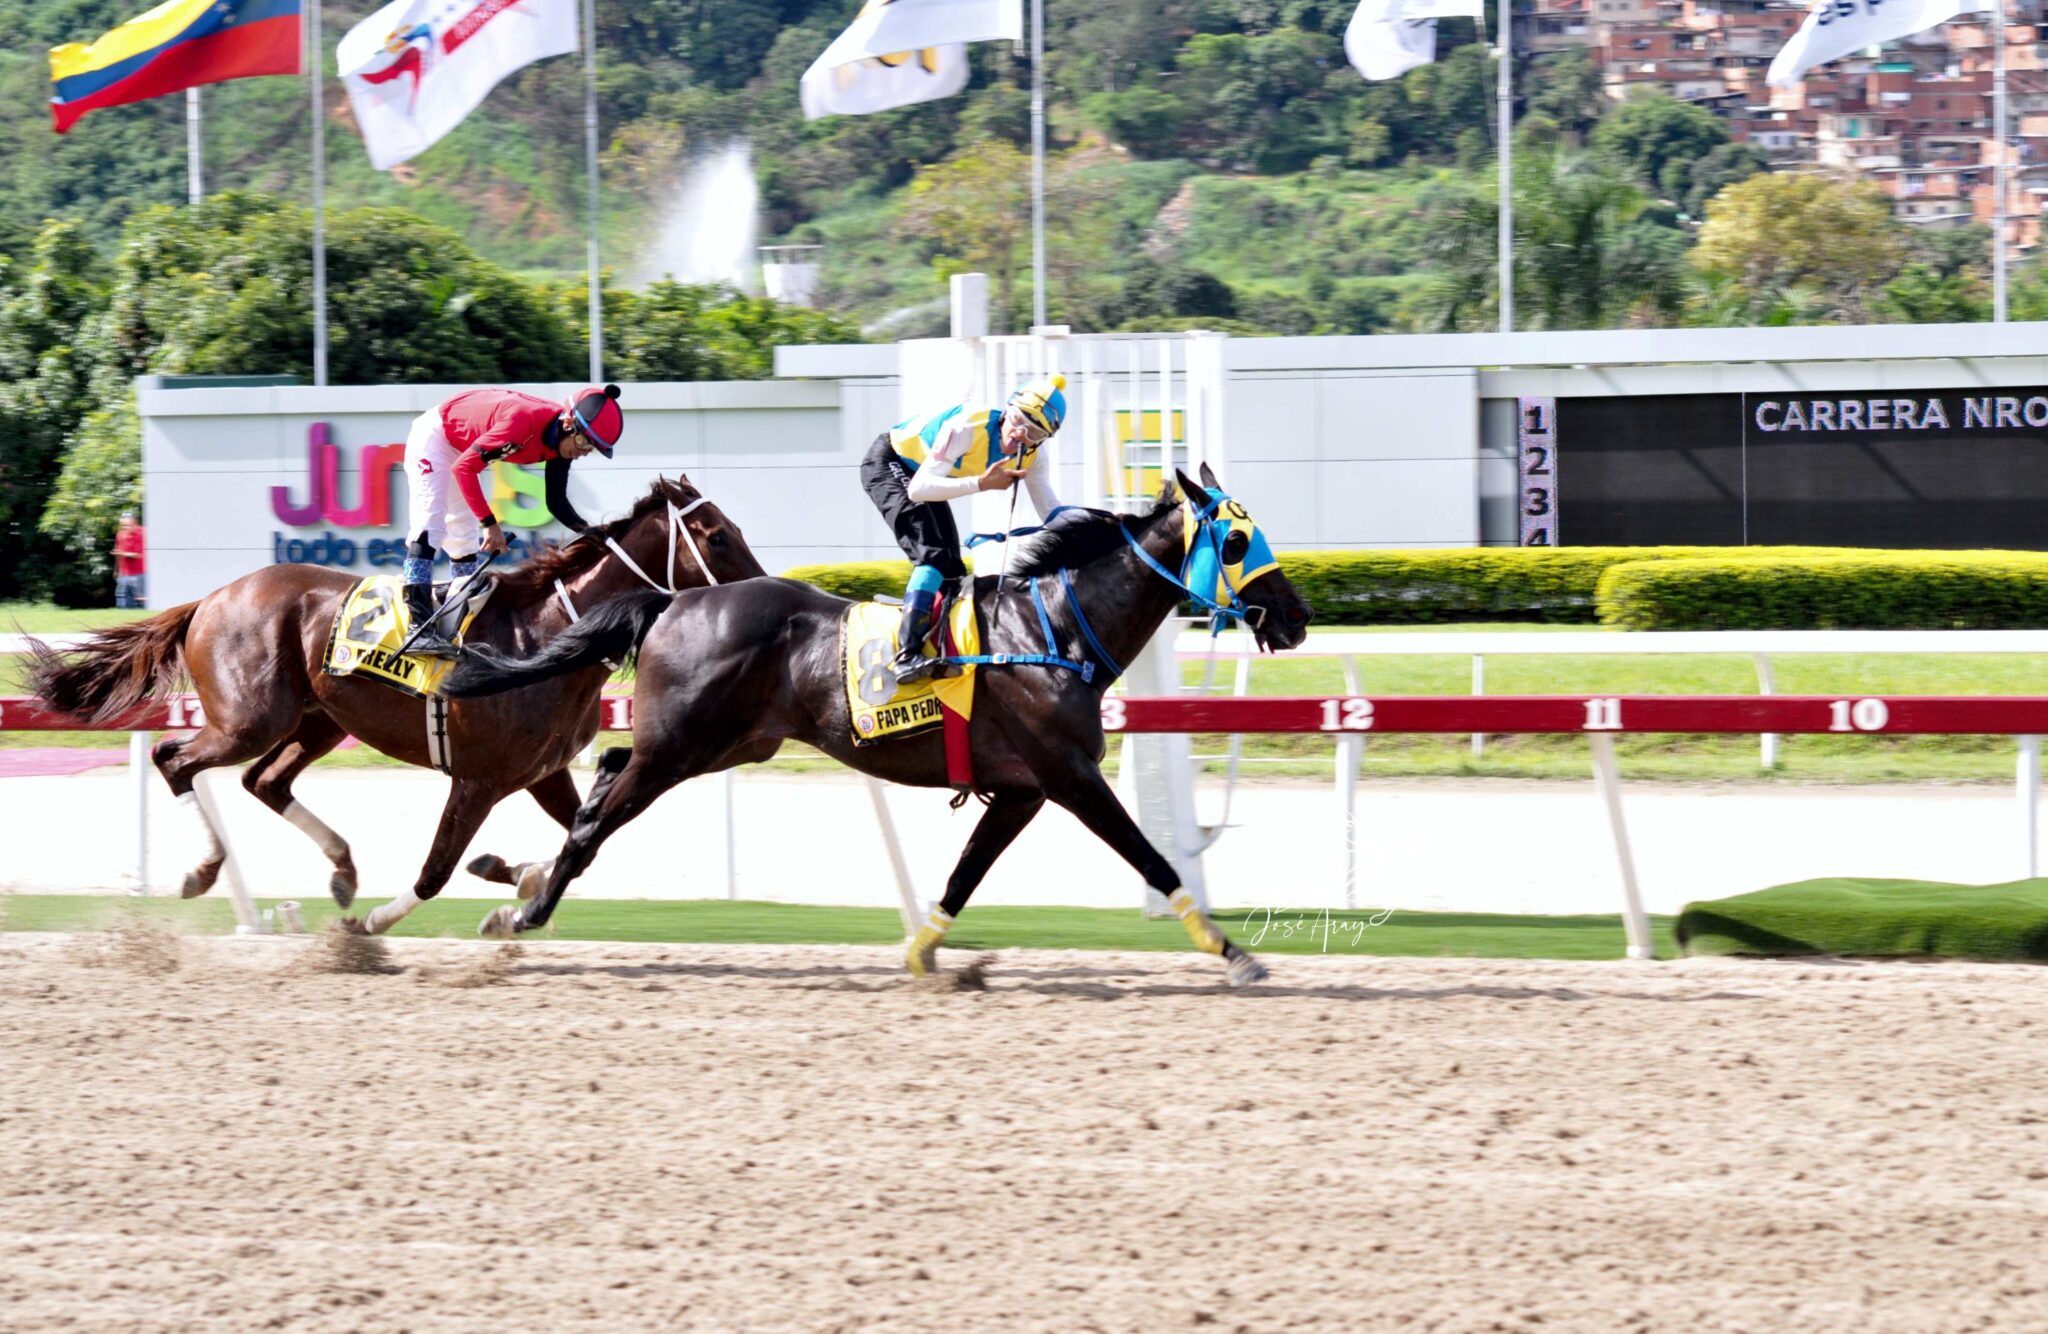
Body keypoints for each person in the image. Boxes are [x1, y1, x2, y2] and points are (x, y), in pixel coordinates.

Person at [859, 374, 1067, 684]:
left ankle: (939, 647)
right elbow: (918, 490)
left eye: (1034, 432)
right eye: (1017, 420)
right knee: (932, 557)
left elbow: (1051, 512)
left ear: (1043, 438)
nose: (1020, 434)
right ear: (1007, 411)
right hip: (891, 463)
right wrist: (982, 483)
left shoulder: (1035, 456)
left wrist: (1103, 524)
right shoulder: (967, 427)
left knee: (953, 572)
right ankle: (906, 656)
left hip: (923, 477)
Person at [402, 384, 624, 657]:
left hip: (462, 446)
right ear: (568, 424)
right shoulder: (521, 424)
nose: (584, 451)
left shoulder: (562, 442)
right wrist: (489, 524)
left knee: (463, 540)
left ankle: (462, 623)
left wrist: (596, 535)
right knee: (430, 525)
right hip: (436, 438)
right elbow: (464, 469)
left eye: (592, 448)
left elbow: (556, 502)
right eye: (584, 442)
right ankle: (417, 628)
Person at [113, 511, 146, 609]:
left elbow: (140, 555)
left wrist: (123, 553)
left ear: (134, 523)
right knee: (121, 600)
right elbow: (118, 553)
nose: (124, 528)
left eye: (127, 525)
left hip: (140, 573)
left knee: (141, 601)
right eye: (122, 525)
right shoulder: (120, 534)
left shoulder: (143, 533)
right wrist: (117, 570)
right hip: (124, 574)